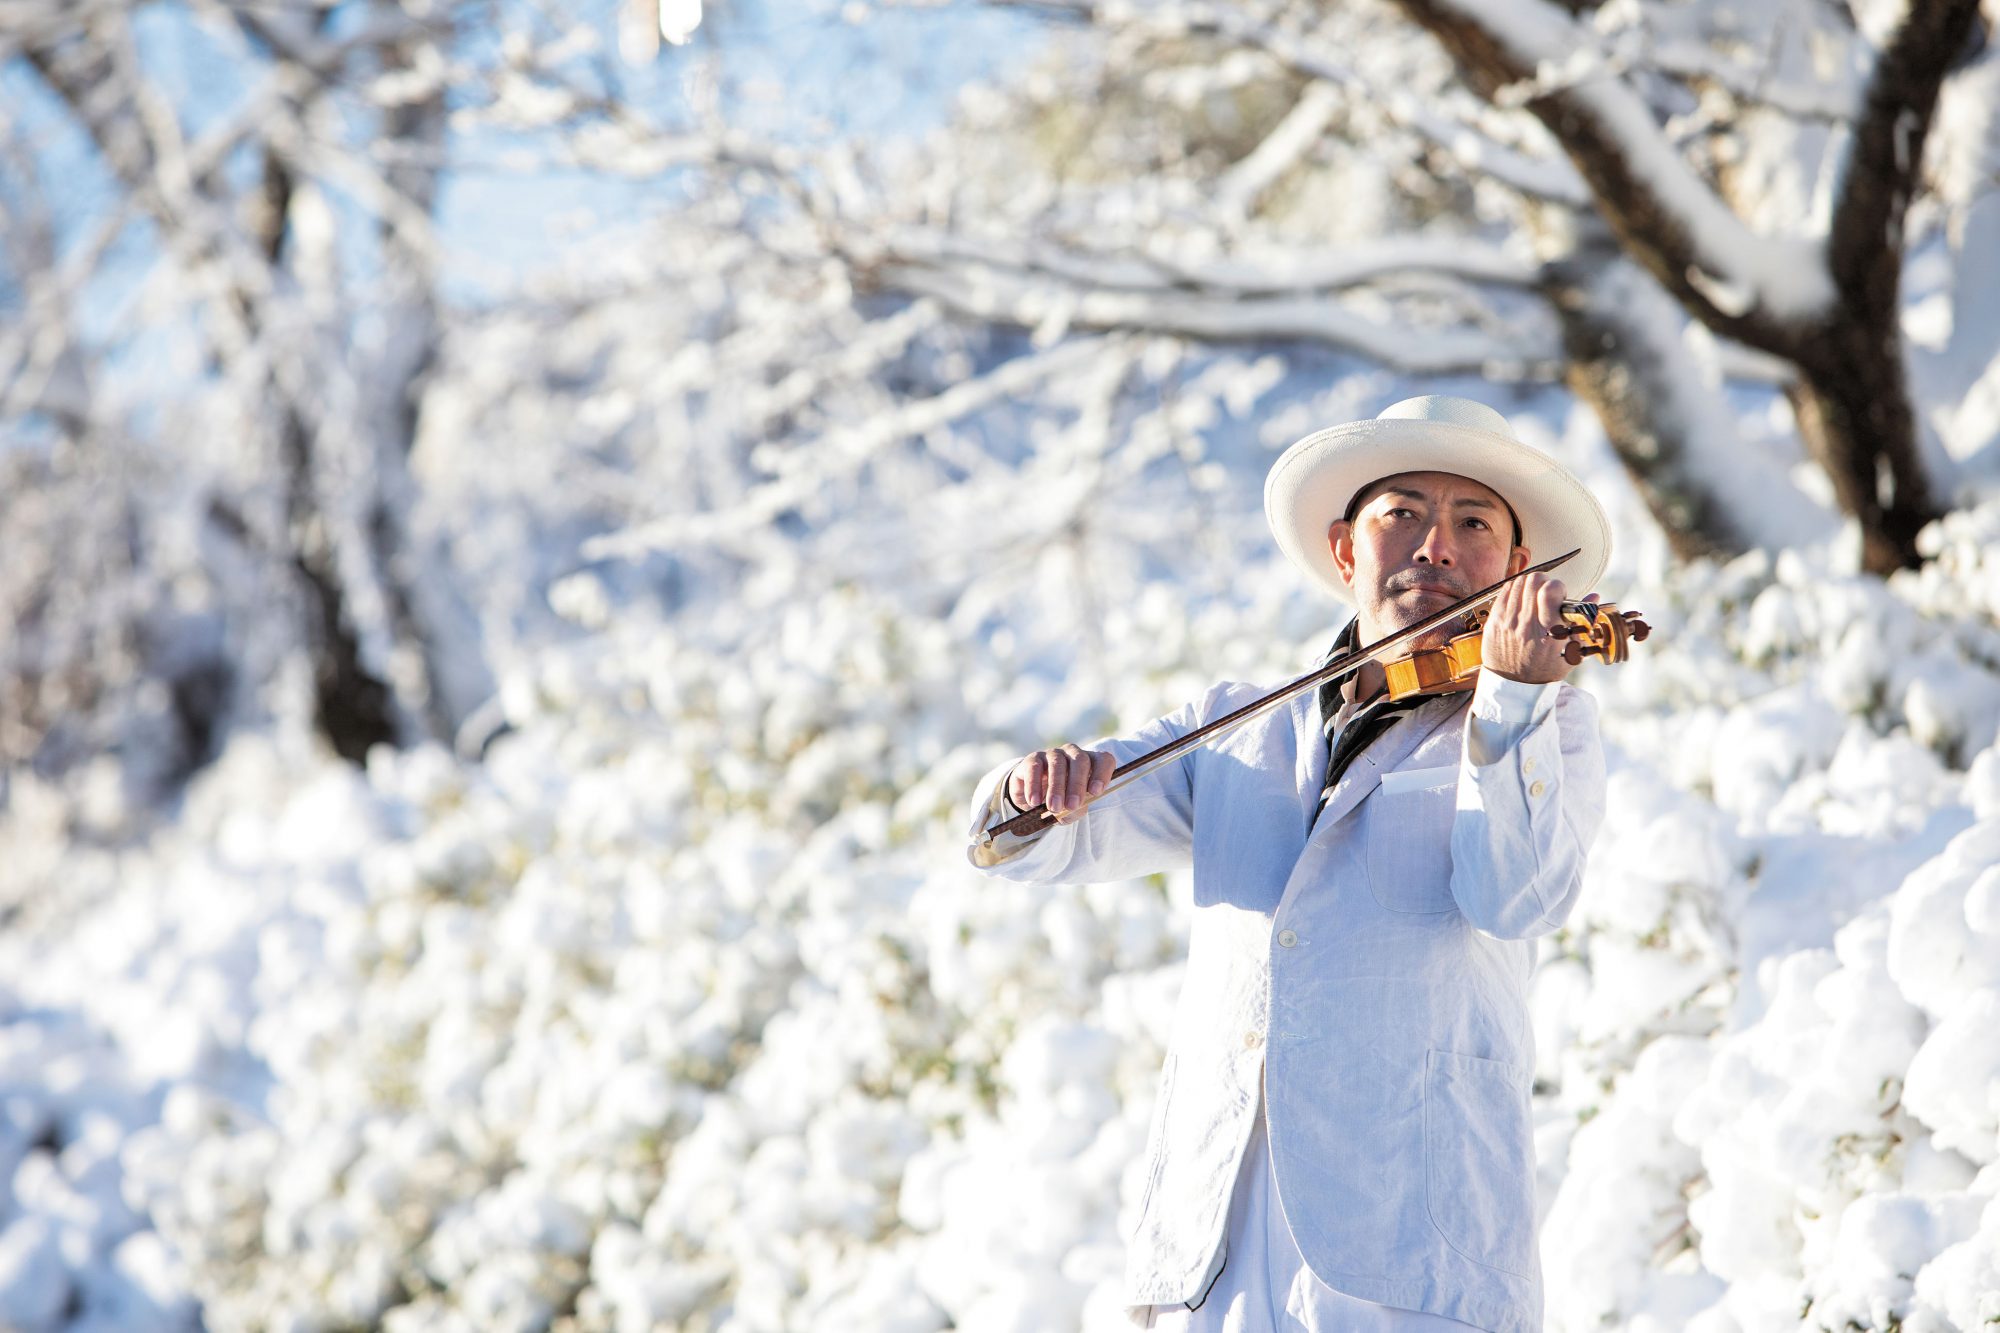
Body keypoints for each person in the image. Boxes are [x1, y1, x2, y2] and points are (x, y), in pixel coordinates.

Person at [964, 396, 1613, 1333]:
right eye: (1403, 516)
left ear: (1517, 571)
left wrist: (1513, 703)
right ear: (1348, 550)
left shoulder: (1548, 726)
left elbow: (1516, 896)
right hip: (1215, 1245)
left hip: (1412, 1252)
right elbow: (1047, 839)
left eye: (1473, 523)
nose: (1435, 546)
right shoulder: (1241, 721)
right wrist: (1030, 792)